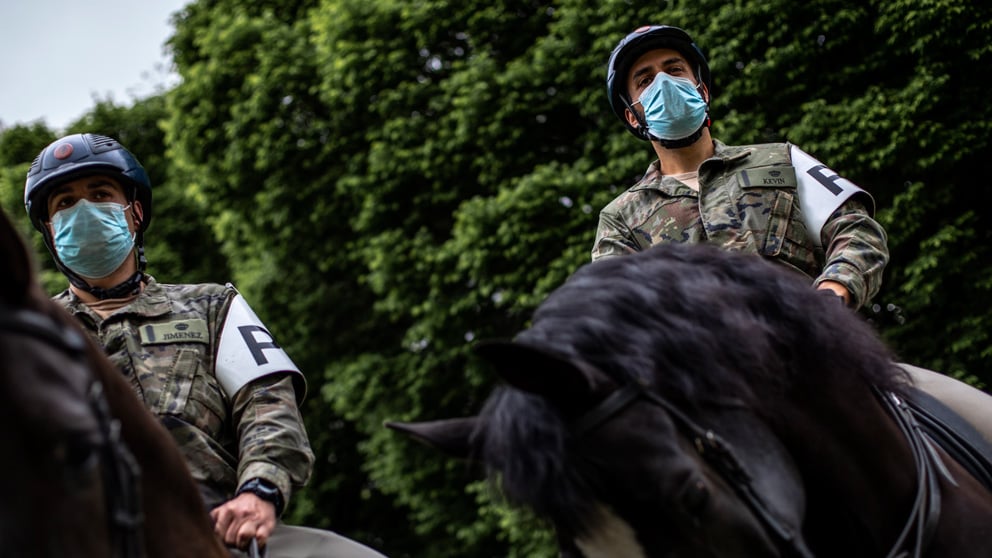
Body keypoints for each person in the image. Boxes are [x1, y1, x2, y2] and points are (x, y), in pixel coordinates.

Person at [594, 25, 992, 444]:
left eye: (674, 69)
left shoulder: (781, 160)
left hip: (826, 360)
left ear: (703, 90)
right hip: (712, 401)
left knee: (973, 422)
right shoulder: (620, 220)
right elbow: (620, 322)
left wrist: (832, 295)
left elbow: (856, 230)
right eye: (646, 80)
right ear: (632, 114)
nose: (664, 83)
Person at [24, 133, 385, 558]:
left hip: (215, 528)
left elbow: (267, 406)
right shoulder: (31, 335)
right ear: (50, 230)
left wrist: (259, 491)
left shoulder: (214, 306)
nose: (82, 209)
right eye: (64, 203)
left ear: (134, 212)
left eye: (99, 194)